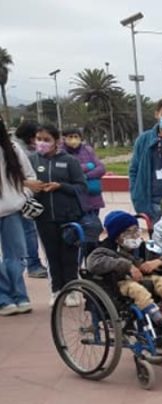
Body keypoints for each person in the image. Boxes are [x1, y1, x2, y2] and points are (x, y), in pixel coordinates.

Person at [86, 211, 162, 338]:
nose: (134, 235)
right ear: (116, 236)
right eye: (128, 232)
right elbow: (93, 264)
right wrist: (127, 266)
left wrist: (160, 261)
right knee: (138, 290)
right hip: (119, 283)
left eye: (136, 231)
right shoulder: (105, 249)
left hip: (144, 279)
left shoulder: (144, 246)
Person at [27, 124, 86, 305]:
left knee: (69, 256)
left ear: (56, 141)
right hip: (44, 217)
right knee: (52, 256)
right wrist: (33, 187)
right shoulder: (31, 160)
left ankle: (72, 291)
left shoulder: (70, 161)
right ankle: (56, 291)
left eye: (46, 140)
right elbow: (23, 184)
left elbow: (81, 187)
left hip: (68, 216)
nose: (42, 143)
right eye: (39, 139)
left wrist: (60, 186)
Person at [0, 116, 35, 315]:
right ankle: (5, 298)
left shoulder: (12, 149)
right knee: (11, 257)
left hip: (12, 210)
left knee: (15, 256)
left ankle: (20, 296)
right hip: (12, 208)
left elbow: (30, 177)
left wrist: (22, 197)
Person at [61, 127, 106, 251]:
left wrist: (84, 176)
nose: (73, 140)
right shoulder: (61, 153)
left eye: (76, 137)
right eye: (70, 137)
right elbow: (68, 171)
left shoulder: (88, 150)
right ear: (64, 138)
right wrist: (89, 166)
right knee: (76, 232)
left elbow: (101, 168)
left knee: (94, 229)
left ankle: (90, 253)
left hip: (93, 198)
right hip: (75, 201)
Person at [12, 121, 47, 279]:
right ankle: (33, 265)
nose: (37, 141)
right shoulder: (19, 150)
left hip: (22, 196)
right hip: (18, 198)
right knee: (28, 232)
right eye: (36, 137)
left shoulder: (22, 148)